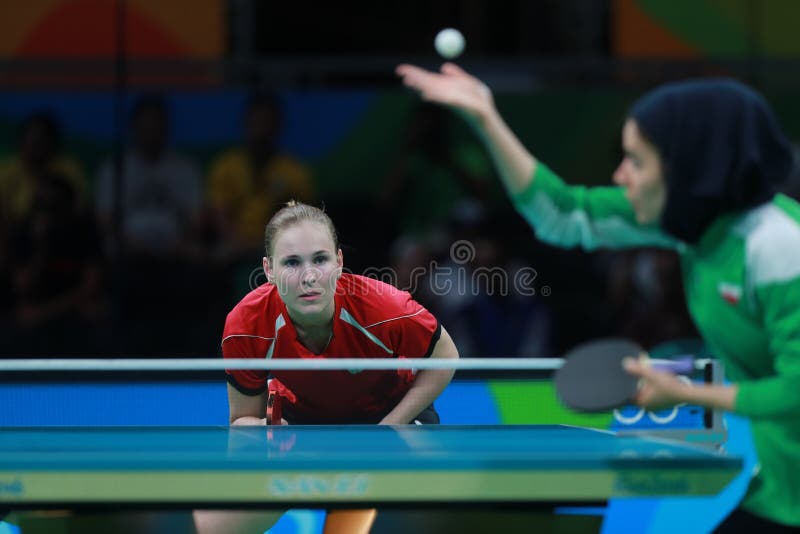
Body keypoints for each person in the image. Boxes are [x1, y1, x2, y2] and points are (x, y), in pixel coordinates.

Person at [397, 63, 800, 532]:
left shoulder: (777, 248)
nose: (619, 174)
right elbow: (565, 215)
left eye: (637, 161)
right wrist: (488, 117)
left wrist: (686, 394)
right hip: (776, 486)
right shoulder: (692, 223)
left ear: (686, 167)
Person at [194, 201, 459, 533]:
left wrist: (387, 428)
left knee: (438, 507)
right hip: (298, 424)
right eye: (291, 263)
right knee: (209, 526)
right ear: (269, 269)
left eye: (320, 259)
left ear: (339, 261)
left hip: (388, 414)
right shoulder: (245, 324)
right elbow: (242, 420)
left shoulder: (384, 307)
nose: (308, 276)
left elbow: (445, 358)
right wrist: (270, 434)